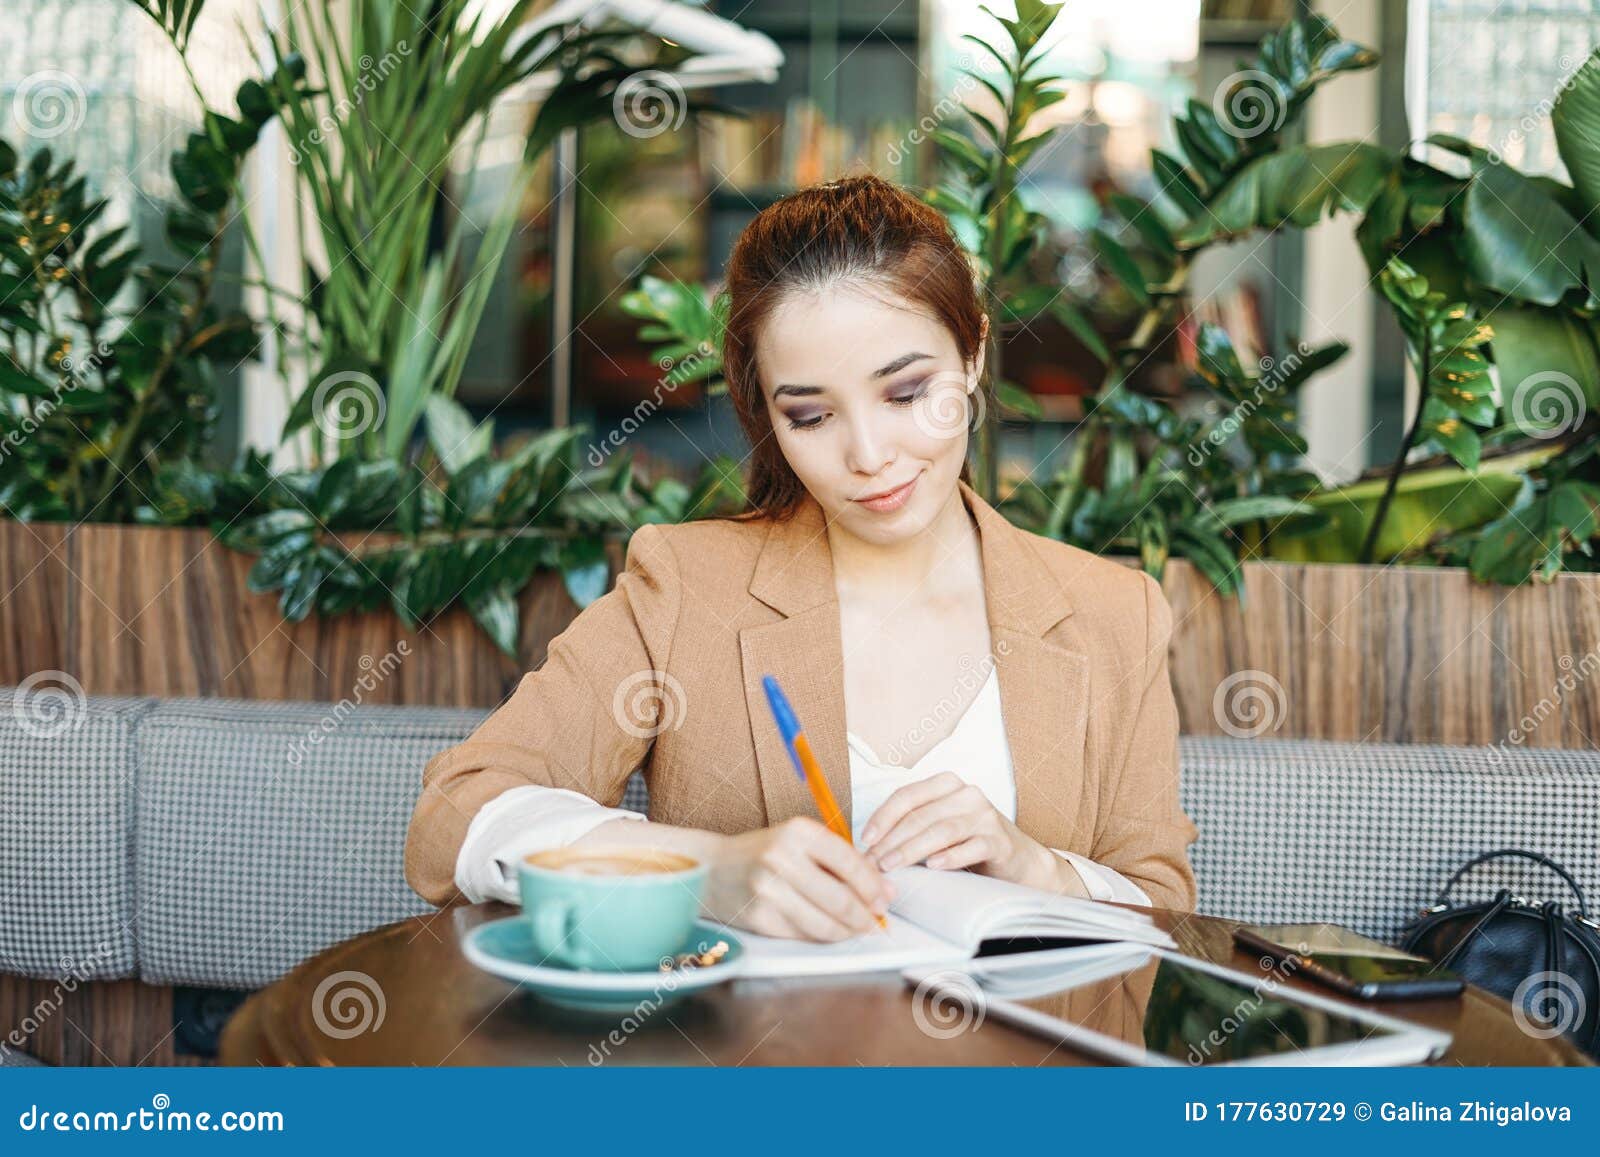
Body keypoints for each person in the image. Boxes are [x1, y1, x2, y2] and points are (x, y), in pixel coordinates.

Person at [404, 175, 1198, 941]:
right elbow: (454, 818)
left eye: (906, 392)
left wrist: (1041, 870)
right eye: (812, 414)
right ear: (767, 413)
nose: (868, 454)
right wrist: (704, 869)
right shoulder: (685, 590)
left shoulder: (1113, 614)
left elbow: (1167, 915)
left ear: (974, 356)